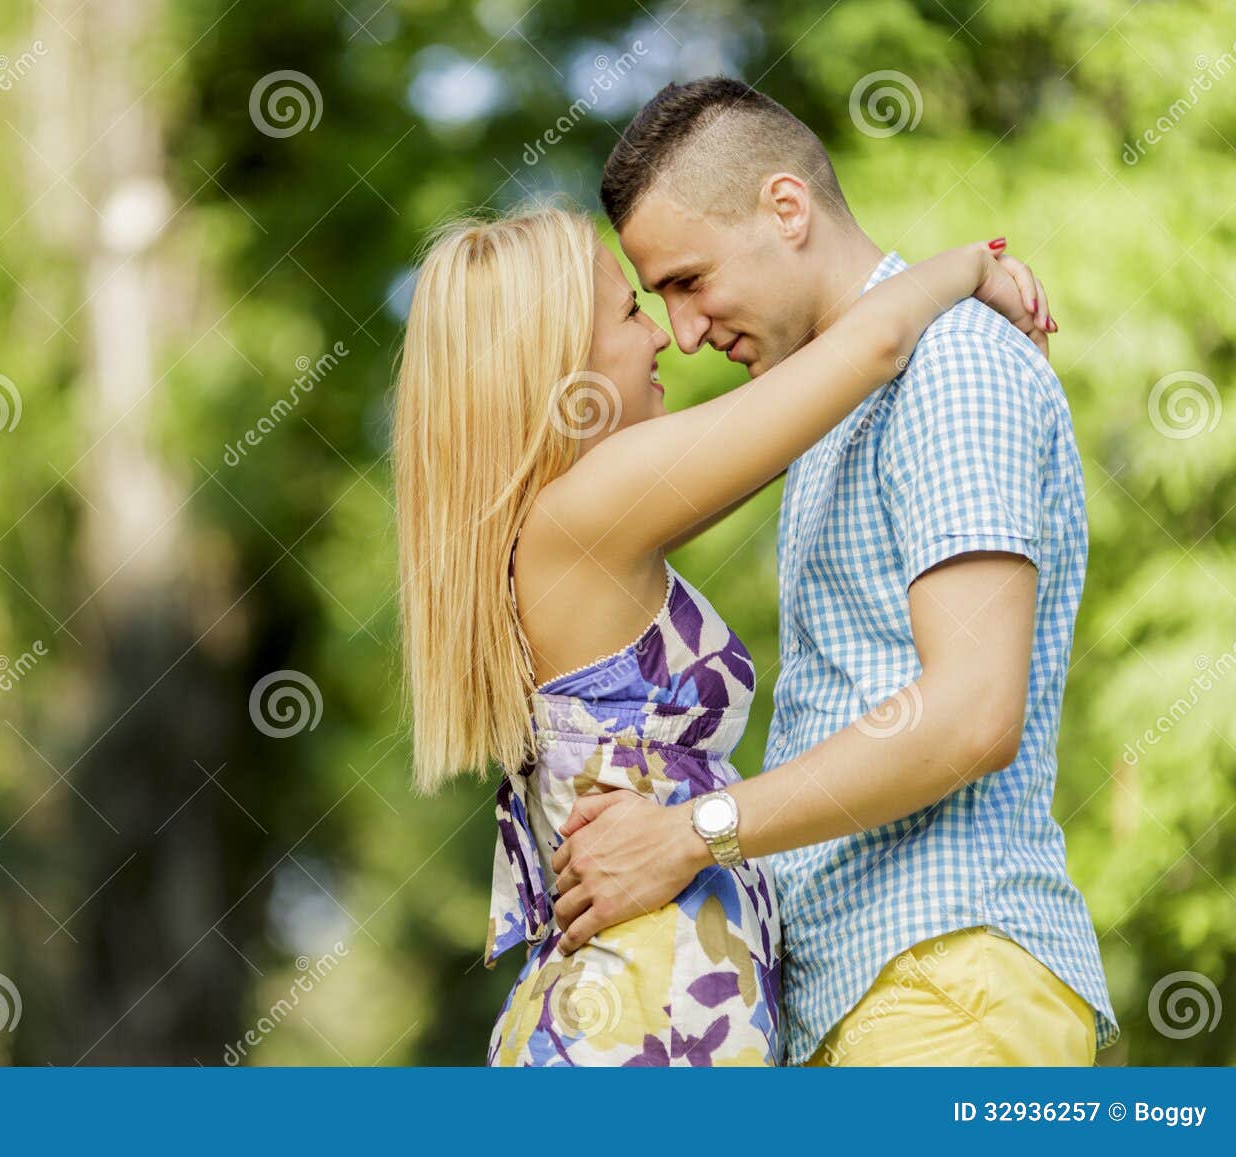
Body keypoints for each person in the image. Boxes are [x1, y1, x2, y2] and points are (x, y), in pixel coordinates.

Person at [391, 195, 1053, 1064]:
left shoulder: (581, 529)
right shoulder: (586, 511)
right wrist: (970, 265)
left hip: (645, 1019)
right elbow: (866, 351)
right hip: (636, 1026)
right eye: (631, 312)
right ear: (561, 362)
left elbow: (796, 423)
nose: (664, 336)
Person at [551, 76, 1119, 1066]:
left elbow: (972, 714)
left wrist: (689, 833)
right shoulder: (833, 401)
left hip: (946, 980)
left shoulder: (952, 365)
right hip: (867, 994)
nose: (684, 332)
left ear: (787, 208)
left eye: (688, 280)